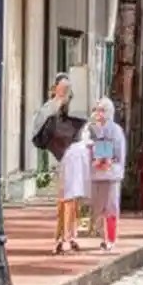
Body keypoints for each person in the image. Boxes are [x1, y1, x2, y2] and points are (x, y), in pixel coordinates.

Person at [31, 74, 88, 254]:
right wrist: (58, 100)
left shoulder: (75, 110)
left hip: (77, 154)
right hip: (66, 157)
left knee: (75, 198)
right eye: (61, 88)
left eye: (67, 89)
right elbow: (39, 125)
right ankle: (63, 238)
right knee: (66, 199)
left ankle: (71, 236)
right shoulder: (51, 108)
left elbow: (85, 128)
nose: (64, 92)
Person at [86, 97, 127, 252]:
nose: (99, 113)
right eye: (97, 110)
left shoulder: (115, 130)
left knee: (111, 206)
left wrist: (107, 160)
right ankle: (102, 237)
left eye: (102, 110)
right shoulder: (91, 129)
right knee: (98, 207)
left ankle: (110, 239)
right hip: (96, 173)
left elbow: (118, 153)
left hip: (110, 174)